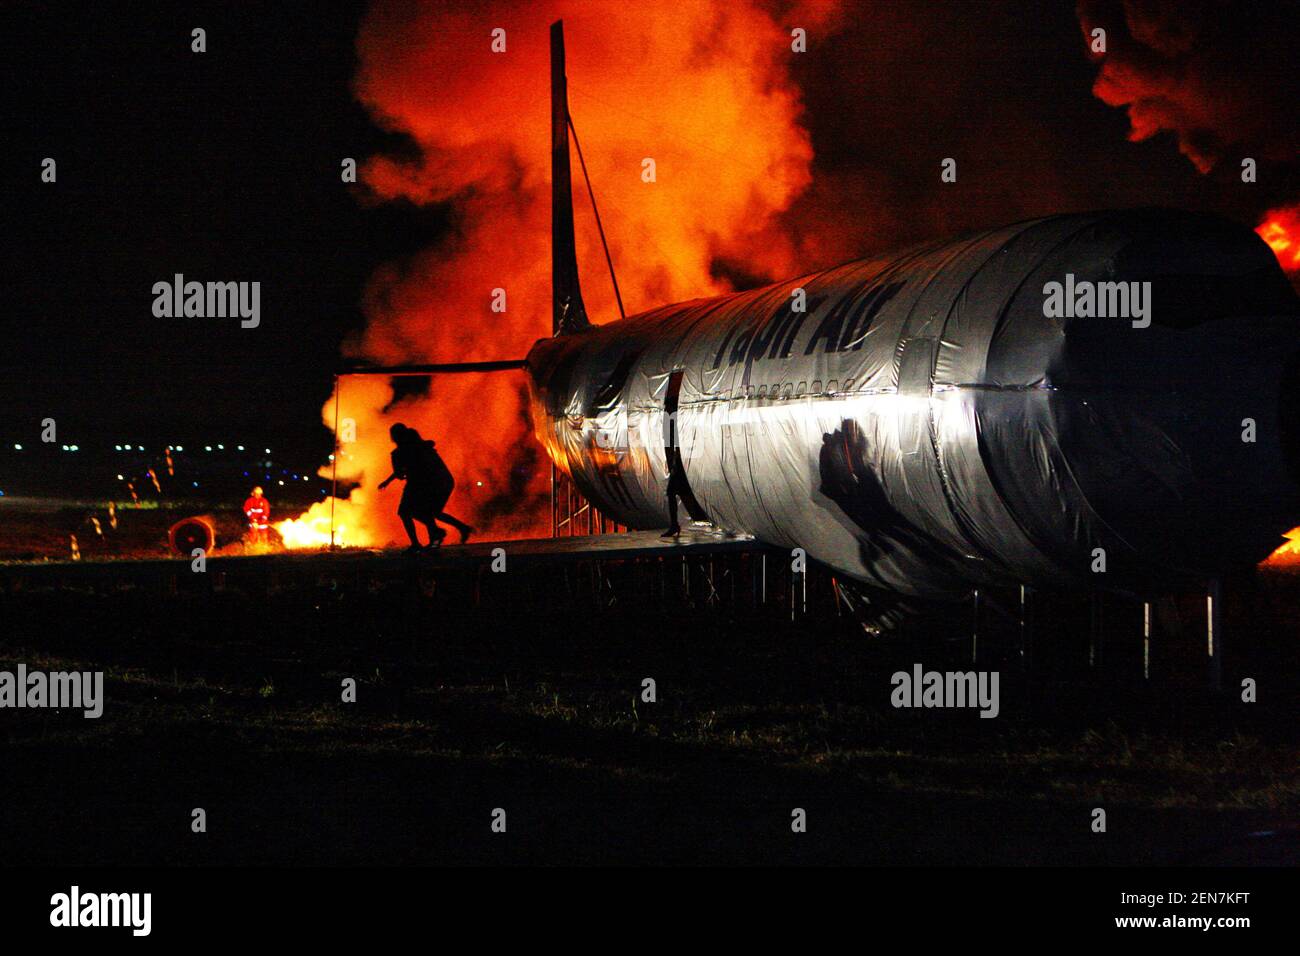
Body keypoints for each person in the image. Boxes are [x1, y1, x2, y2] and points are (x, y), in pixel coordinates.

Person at [379, 423, 474, 551]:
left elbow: (403, 471)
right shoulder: (420, 447)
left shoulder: (405, 452)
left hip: (429, 483)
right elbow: (404, 470)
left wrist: (391, 479)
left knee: (408, 512)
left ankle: (424, 540)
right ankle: (447, 532)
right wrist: (388, 481)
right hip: (438, 481)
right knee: (430, 512)